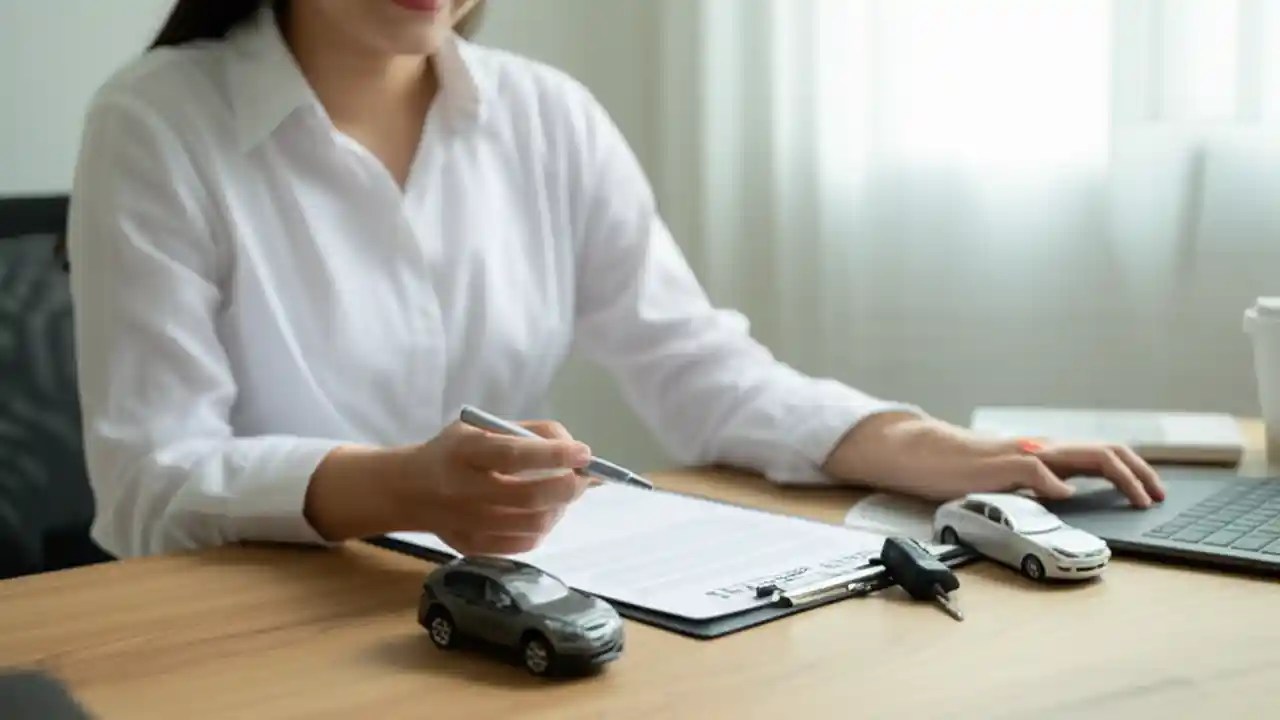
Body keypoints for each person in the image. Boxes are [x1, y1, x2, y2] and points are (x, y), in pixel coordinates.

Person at [67, 0, 1163, 560]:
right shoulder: (156, 123)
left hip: (486, 612)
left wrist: (927, 447)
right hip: (238, 620)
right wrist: (401, 489)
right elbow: (152, 480)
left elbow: (696, 366)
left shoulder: (546, 115)